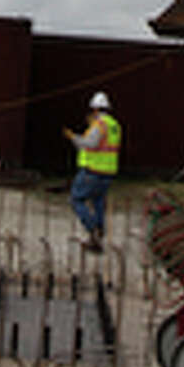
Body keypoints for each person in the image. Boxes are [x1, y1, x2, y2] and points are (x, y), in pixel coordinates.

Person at [64, 91, 121, 251]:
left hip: (92, 171)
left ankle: (92, 229)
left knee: (77, 199)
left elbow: (90, 144)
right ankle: (98, 233)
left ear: (95, 109)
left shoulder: (100, 125)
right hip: (108, 172)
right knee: (98, 202)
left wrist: (74, 138)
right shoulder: (114, 125)